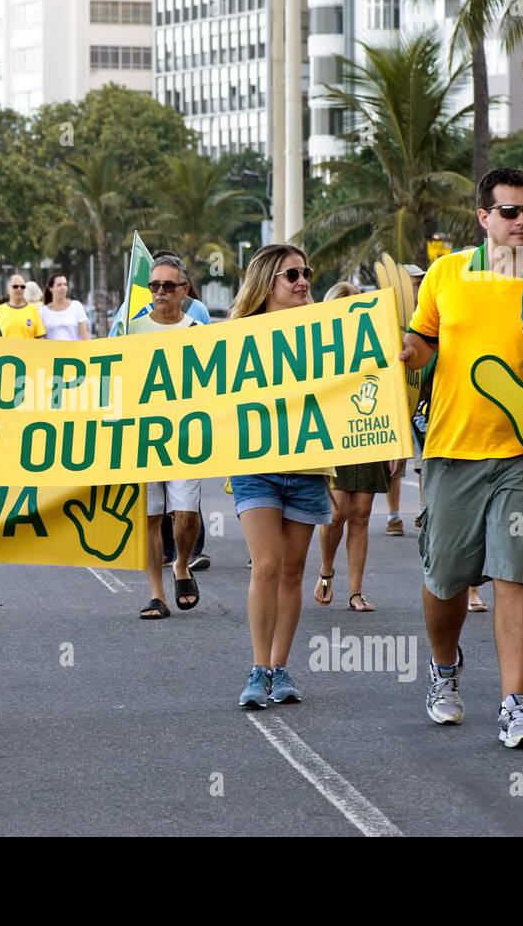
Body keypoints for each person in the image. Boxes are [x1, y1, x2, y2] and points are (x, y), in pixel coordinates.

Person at [400, 167, 523, 749]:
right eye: (510, 212)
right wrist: (406, 351)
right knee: (444, 577)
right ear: (483, 217)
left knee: (513, 569)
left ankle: (514, 703)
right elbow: (424, 343)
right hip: (452, 450)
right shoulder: (447, 273)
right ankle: (444, 668)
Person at [227, 245, 333, 707]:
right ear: (267, 281)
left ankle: (279, 667)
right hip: (256, 467)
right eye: (291, 274)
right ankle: (257, 669)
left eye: (305, 272)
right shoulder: (235, 336)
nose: (302, 281)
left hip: (309, 466)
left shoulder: (328, 332)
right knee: (266, 565)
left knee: (292, 571)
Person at [125, 253, 204, 618]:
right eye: (154, 285)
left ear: (184, 291)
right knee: (150, 518)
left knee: (185, 516)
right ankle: (156, 593)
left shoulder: (197, 331)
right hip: (142, 437)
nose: (160, 291)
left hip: (187, 437)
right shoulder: (132, 330)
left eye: (168, 286)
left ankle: (182, 564)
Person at [314, 282, 400, 611]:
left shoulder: (376, 346)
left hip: (369, 434)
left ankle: (355, 592)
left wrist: (396, 442)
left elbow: (391, 392)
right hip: (333, 437)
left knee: (361, 514)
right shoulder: (320, 346)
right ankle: (325, 573)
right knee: (336, 514)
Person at [386, 264, 426, 535]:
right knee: (394, 464)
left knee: (426, 463)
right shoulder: (387, 318)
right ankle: (393, 516)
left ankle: (426, 512)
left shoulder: (429, 317)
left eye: (420, 283)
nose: (418, 288)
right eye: (414, 283)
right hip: (394, 403)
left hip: (423, 404)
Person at [39, 273, 90, 341]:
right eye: (59, 285)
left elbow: (84, 337)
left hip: (74, 350)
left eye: (65, 284)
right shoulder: (43, 311)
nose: (63, 288)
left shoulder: (77, 306)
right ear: (51, 288)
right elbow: (41, 338)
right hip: (52, 350)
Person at [0, 274, 46, 339]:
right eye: (15, 286)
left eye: (22, 287)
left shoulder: (33, 310)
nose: (19, 289)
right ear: (8, 290)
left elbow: (41, 337)